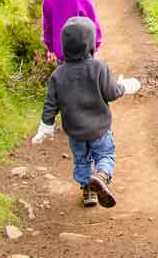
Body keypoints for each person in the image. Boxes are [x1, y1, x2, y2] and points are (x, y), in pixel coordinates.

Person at [32, 16, 140, 207]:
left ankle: (88, 191)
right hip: (99, 129)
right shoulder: (99, 68)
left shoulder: (58, 75)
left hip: (75, 132)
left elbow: (50, 104)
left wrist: (46, 127)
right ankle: (101, 176)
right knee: (105, 155)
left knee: (81, 160)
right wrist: (125, 86)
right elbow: (112, 92)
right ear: (90, 44)